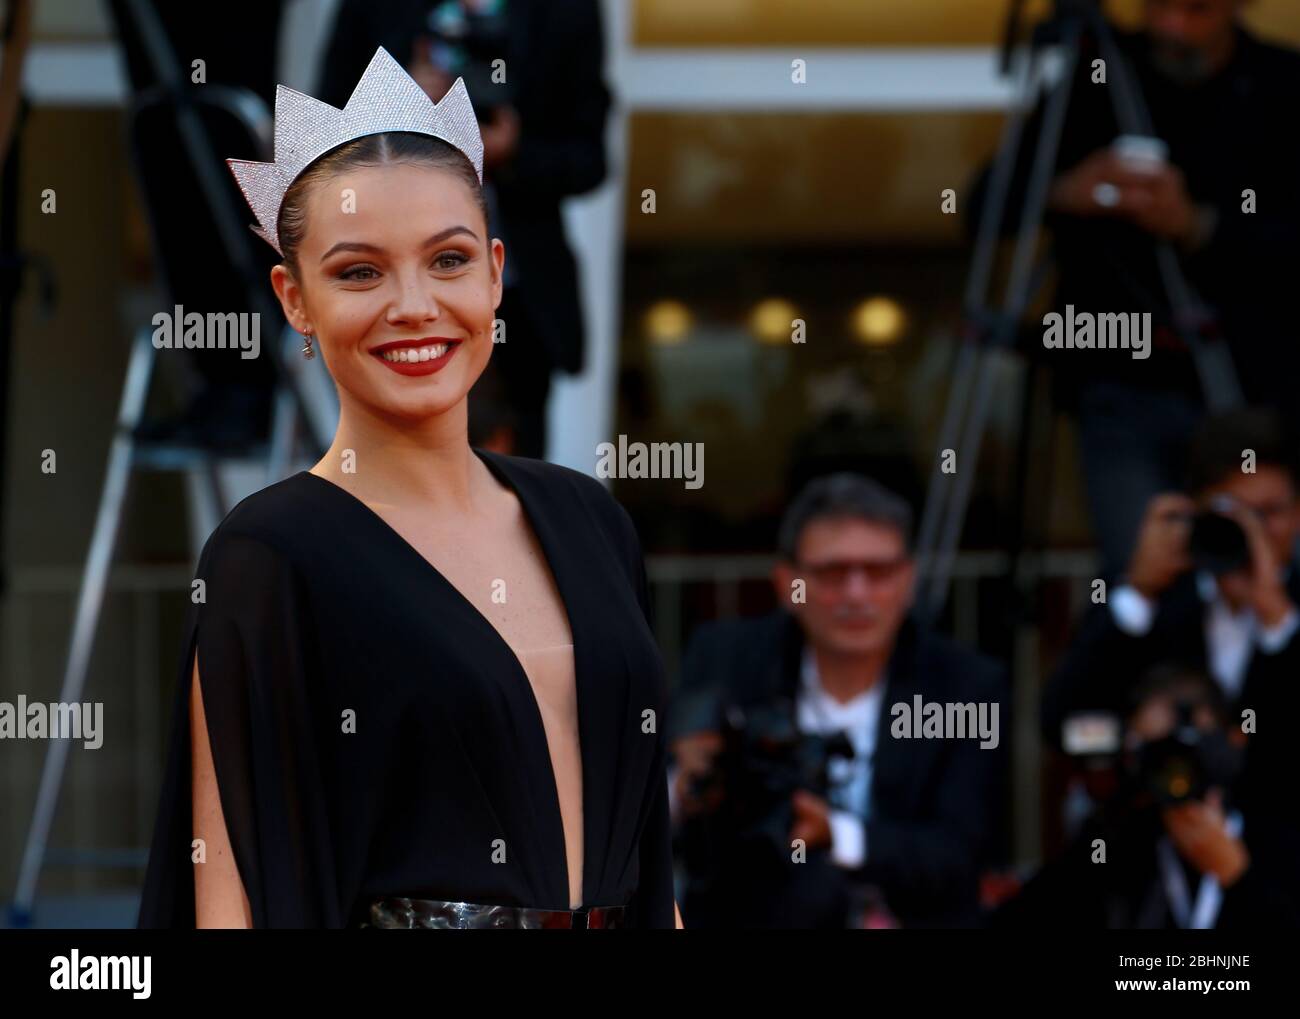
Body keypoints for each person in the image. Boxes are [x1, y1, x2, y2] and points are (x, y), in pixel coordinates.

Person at [137, 47, 679, 929]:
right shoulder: (269, 556)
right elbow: (227, 886)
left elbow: (649, 853)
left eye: (450, 259)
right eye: (359, 271)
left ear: (497, 273)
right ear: (294, 298)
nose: (415, 305)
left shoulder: (591, 520)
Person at [971, 0, 1300, 578]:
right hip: (1123, 374)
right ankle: (1157, 668)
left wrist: (1198, 226)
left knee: (1265, 566)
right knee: (1143, 571)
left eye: (1195, 10)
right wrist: (1067, 191)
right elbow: (981, 206)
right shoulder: (1099, 72)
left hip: (1254, 383)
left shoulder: (1282, 83)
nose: (1172, 26)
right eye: (1160, 7)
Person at [670, 473, 1007, 928]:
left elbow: (962, 851)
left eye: (878, 571)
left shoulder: (965, 683)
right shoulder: (726, 659)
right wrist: (684, 786)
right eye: (832, 573)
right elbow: (671, 830)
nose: (856, 594)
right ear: (788, 583)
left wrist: (835, 834)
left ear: (908, 580)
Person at [317, 0, 611, 459]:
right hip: (393, 287)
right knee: (400, 458)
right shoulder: (372, 10)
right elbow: (325, 140)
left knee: (517, 473)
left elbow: (590, 159)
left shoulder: (565, 12)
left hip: (523, 297)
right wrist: (396, 108)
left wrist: (512, 153)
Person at [1043, 408, 1300, 834]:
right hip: (1154, 860)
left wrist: (1279, 621)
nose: (1252, 534)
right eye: (1233, 514)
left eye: (1270, 513)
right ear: (1193, 511)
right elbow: (1066, 728)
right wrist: (1137, 597)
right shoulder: (1150, 601)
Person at [999, 666, 1299, 928]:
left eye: (1185, 752)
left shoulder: (1279, 844)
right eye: (1156, 758)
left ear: (1232, 742)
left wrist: (1238, 878)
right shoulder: (1117, 848)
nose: (1175, 774)